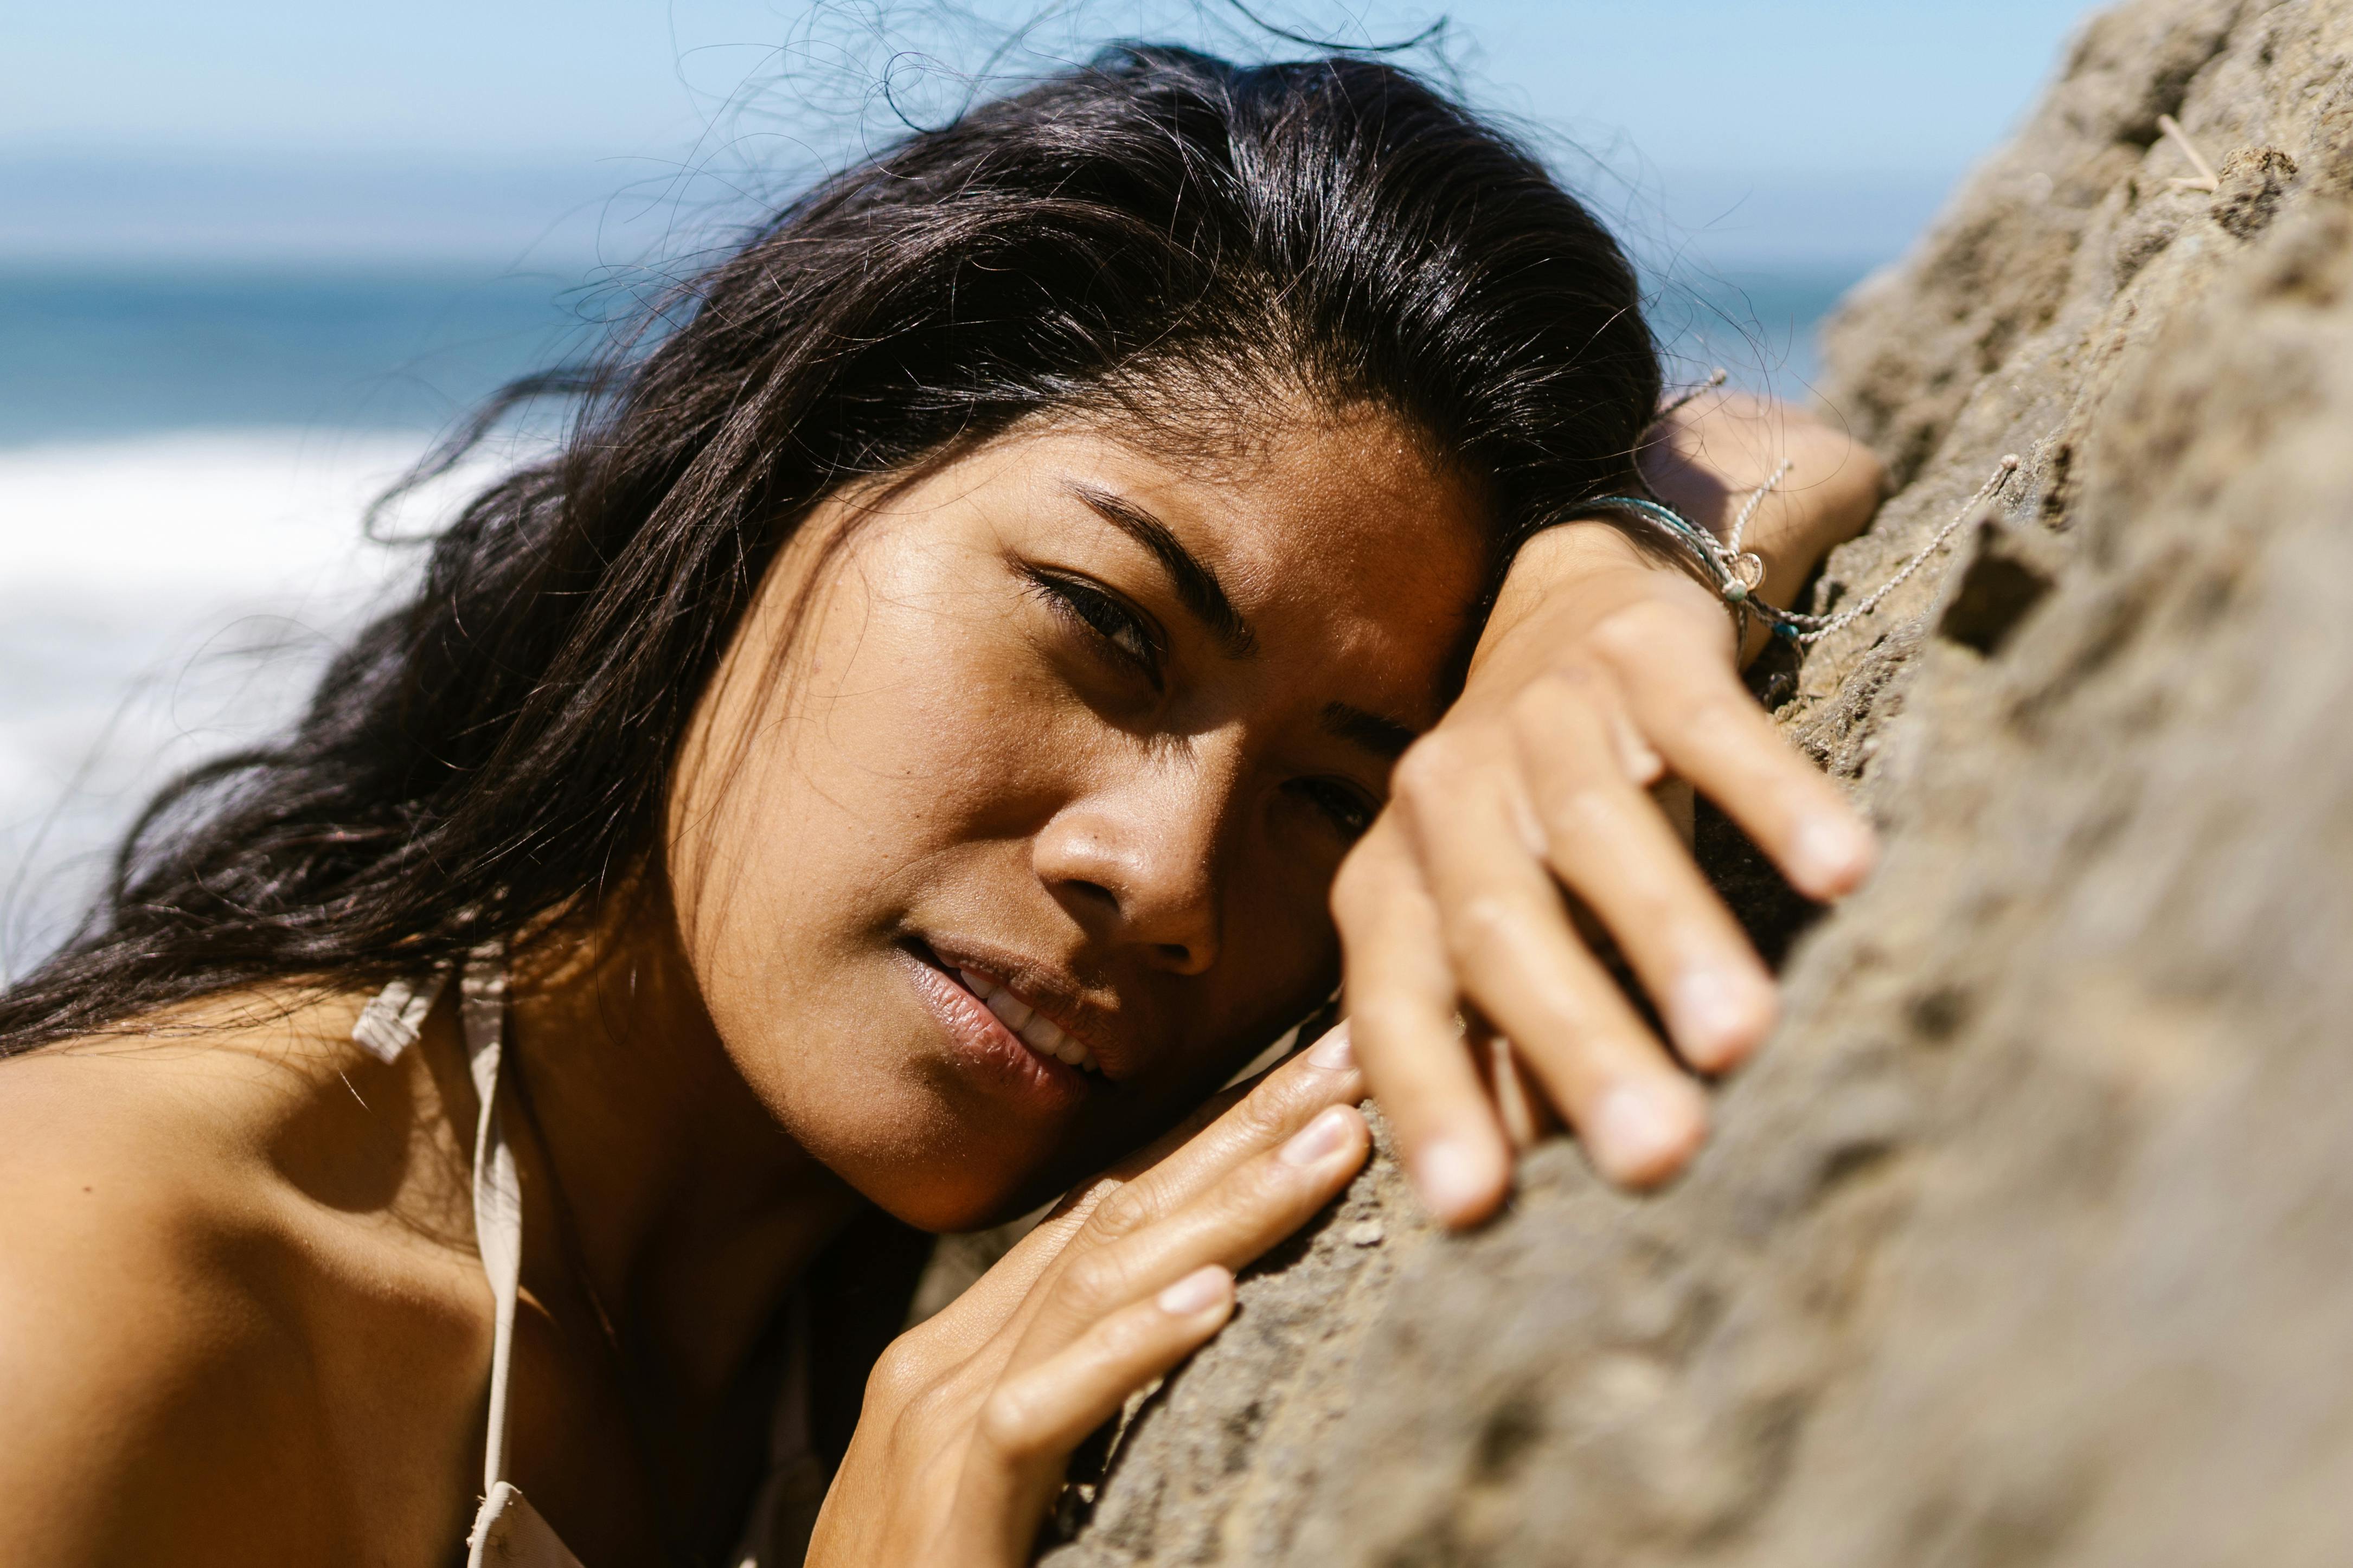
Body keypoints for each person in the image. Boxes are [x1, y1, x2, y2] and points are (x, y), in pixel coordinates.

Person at [0, 45, 1881, 1568]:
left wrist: (1603, 591)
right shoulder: (104, 1291)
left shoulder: (762, 1286)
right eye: (1106, 630)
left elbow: (1773, 447)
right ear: (781, 480)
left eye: (1331, 793)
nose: (1166, 881)